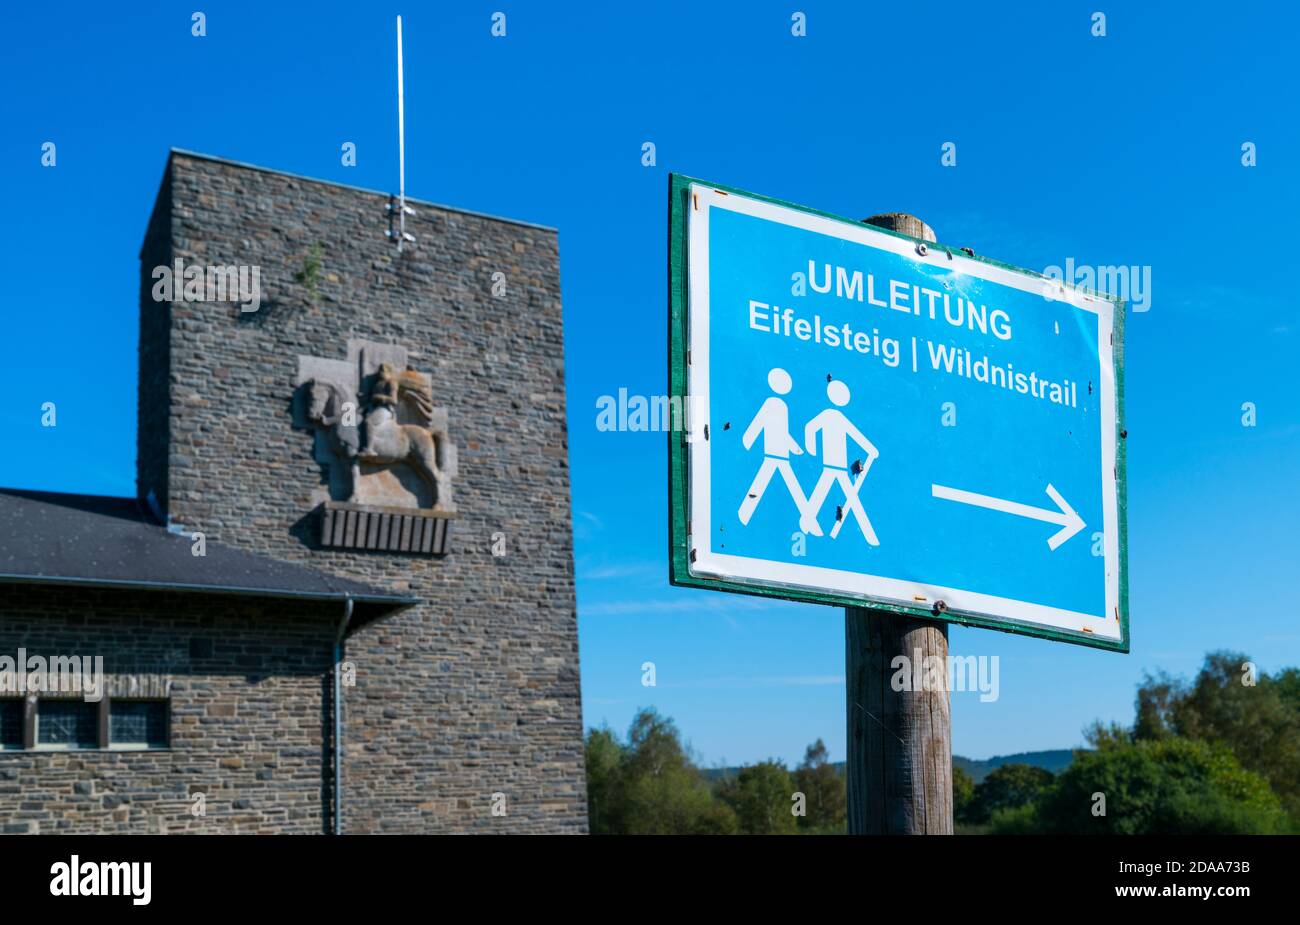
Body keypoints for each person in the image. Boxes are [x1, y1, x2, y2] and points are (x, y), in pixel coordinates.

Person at [738, 368, 817, 534]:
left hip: (782, 455)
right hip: (772, 452)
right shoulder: (772, 403)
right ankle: (743, 514)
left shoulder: (782, 406)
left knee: (793, 486)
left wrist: (794, 447)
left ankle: (809, 520)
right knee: (766, 484)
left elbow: (783, 431)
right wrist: (748, 438)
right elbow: (759, 421)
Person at [803, 380, 879, 544]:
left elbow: (857, 436)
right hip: (830, 465)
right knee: (828, 495)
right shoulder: (829, 415)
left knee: (851, 497)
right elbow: (810, 427)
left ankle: (869, 535)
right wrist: (812, 449)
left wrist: (871, 449)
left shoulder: (839, 418)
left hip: (840, 467)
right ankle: (806, 521)